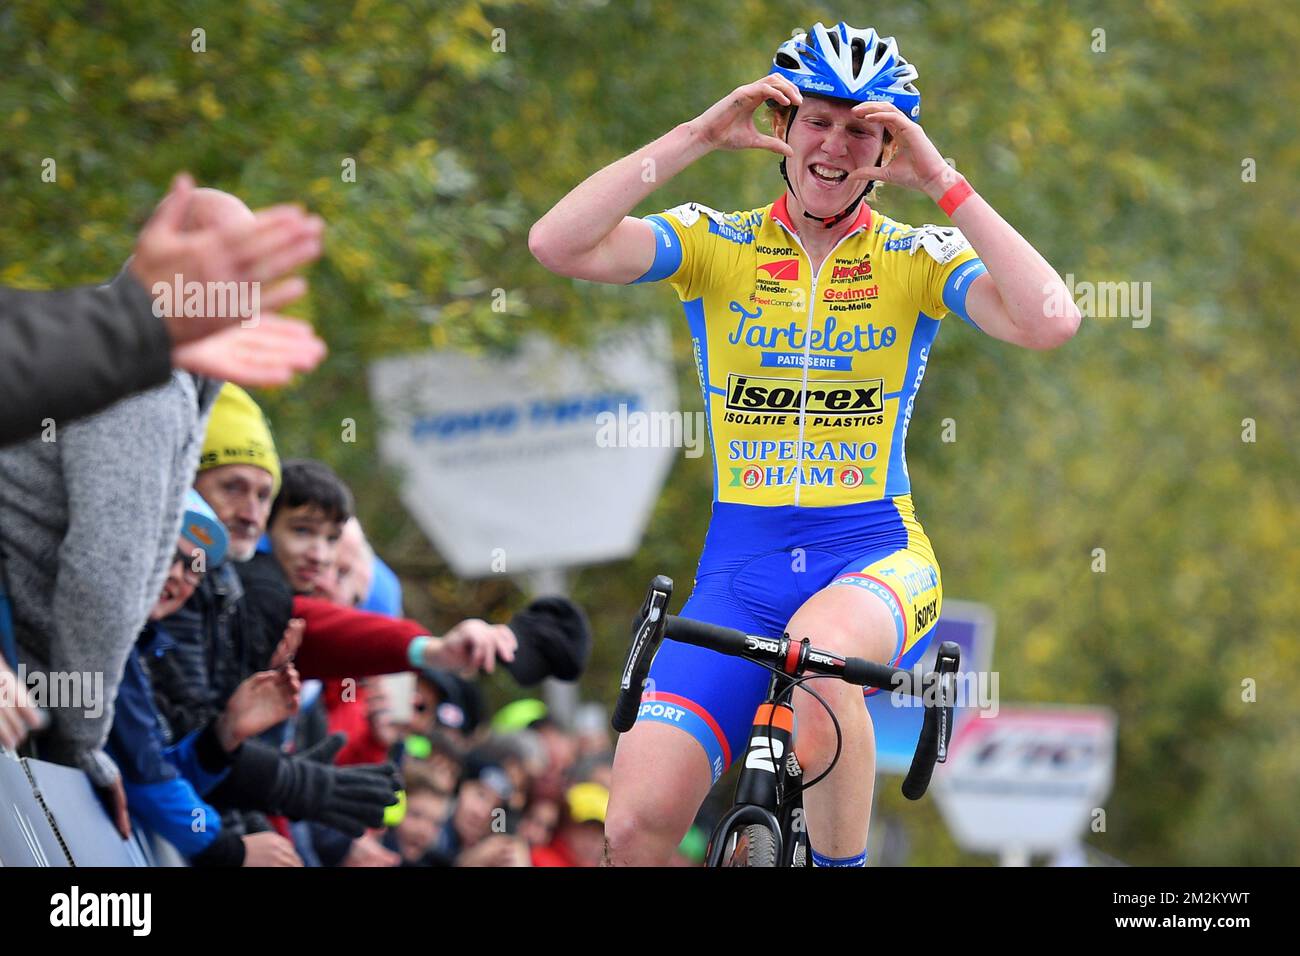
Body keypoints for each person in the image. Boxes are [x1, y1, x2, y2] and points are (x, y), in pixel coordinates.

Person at [530, 21, 1081, 867]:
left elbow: (1052, 320)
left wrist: (940, 180)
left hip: (871, 551)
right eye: (818, 120)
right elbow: (555, 243)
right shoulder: (715, 241)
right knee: (635, 831)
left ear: (889, 144)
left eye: (863, 129)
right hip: (738, 568)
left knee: (821, 663)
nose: (836, 146)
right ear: (782, 128)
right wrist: (697, 136)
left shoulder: (919, 256)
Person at [0, 173, 325, 448]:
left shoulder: (151, 372)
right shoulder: (146, 399)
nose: (240, 296)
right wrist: (139, 322)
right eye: (227, 268)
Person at [108, 489, 303, 865]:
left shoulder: (141, 647)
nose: (180, 577)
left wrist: (223, 734)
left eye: (194, 570)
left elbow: (162, 772)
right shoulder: (110, 637)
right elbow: (145, 778)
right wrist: (230, 849)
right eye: (172, 557)